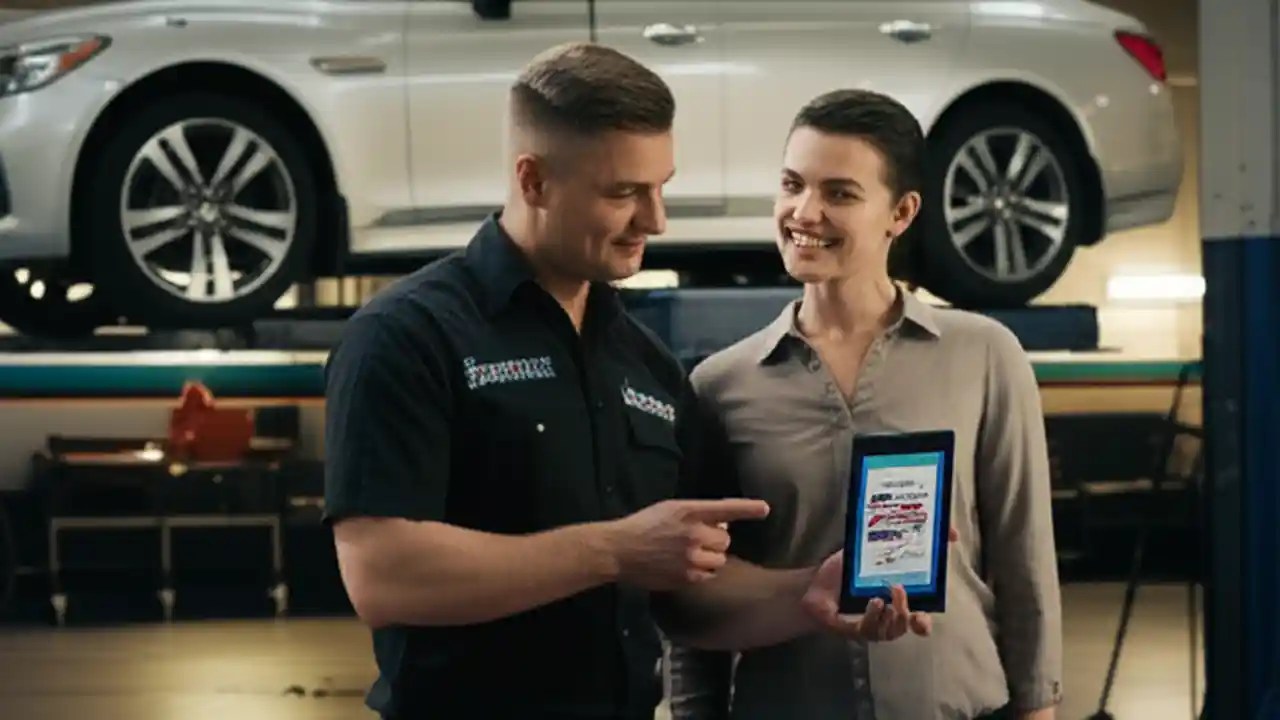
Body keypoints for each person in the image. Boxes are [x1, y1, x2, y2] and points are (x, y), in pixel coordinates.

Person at [321, 44, 928, 720]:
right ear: (533, 181)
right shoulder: (408, 336)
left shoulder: (646, 362)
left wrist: (804, 596)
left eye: (660, 186)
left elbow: (689, 591)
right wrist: (614, 549)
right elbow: (383, 575)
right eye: (623, 193)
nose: (655, 220)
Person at [660, 89, 1064, 720]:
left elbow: (1025, 564)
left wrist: (1039, 710)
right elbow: (695, 590)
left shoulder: (984, 356)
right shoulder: (720, 384)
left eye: (839, 194)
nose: (804, 211)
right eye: (793, 184)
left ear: (900, 214)